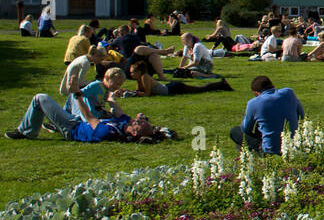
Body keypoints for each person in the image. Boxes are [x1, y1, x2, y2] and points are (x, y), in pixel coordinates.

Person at [8, 81, 138, 142]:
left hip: (72, 128)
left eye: (141, 123)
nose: (139, 120)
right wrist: (111, 99)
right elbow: (120, 113)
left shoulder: (108, 131)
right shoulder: (124, 123)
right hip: (77, 121)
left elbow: (89, 117)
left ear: (134, 132)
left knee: (40, 98)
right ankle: (56, 124)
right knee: (72, 95)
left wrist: (78, 95)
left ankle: (26, 132)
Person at [230, 75, 304, 154]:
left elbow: (246, 129)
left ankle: (248, 156)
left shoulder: (253, 103)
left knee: (235, 131)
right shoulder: (289, 92)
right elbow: (301, 115)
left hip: (270, 149)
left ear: (256, 93)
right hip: (293, 143)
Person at [127, 61, 232, 96]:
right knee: (198, 89)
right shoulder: (139, 79)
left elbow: (147, 94)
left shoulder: (145, 77)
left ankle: (221, 84)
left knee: (199, 89)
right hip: (170, 88)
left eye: (132, 72)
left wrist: (134, 94)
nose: (130, 74)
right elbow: (140, 92)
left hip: (174, 88)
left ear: (139, 72)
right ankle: (221, 85)